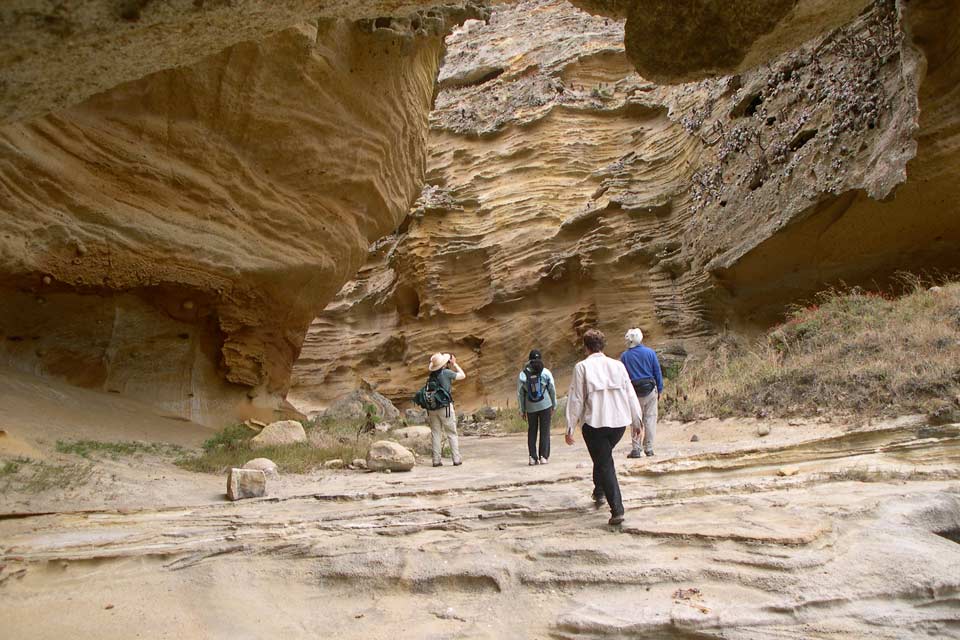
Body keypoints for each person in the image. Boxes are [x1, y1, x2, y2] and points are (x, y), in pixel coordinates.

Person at [565, 329, 644, 526]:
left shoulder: (582, 367)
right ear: (603, 346)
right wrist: (637, 421)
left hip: (595, 423)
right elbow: (630, 393)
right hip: (619, 423)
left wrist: (570, 426)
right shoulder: (618, 365)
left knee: (605, 461)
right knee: (602, 457)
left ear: (586, 347)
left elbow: (576, 398)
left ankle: (617, 509)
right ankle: (598, 491)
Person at [619, 328, 663, 458]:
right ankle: (649, 448)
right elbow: (657, 372)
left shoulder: (625, 356)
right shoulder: (650, 353)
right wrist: (659, 389)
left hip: (634, 392)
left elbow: (623, 376)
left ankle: (636, 449)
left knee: (635, 420)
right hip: (650, 390)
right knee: (650, 419)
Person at [517, 349, 557, 466]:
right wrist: (554, 405)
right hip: (545, 405)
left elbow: (520, 394)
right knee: (545, 430)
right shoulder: (545, 372)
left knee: (532, 431)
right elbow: (552, 389)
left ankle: (532, 458)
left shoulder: (523, 374)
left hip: (530, 407)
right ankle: (544, 456)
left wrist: (522, 410)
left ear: (529, 360)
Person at [426, 353, 465, 467]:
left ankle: (436, 460)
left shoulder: (431, 377)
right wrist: (455, 364)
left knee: (436, 434)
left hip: (432, 408)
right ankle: (456, 459)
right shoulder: (446, 373)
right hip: (445, 407)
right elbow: (462, 375)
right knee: (451, 433)